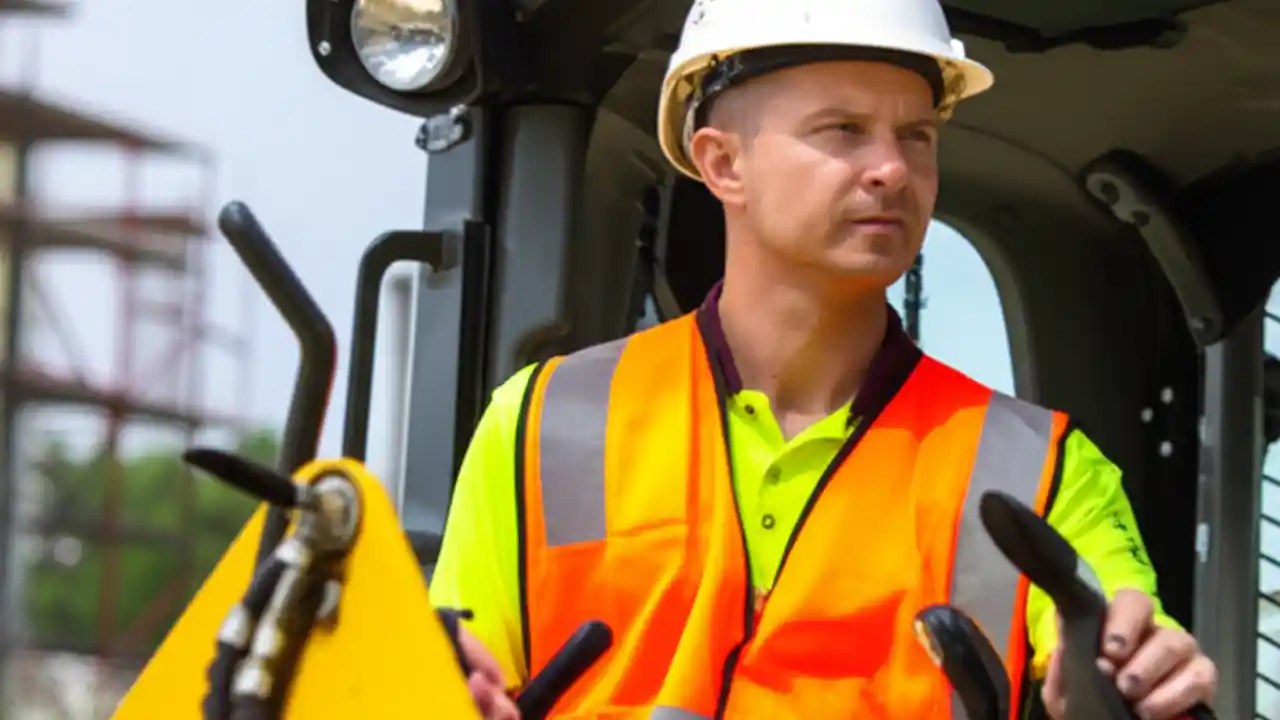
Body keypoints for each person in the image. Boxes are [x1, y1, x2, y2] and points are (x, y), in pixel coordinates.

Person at [430, 0, 1219, 717]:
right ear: (722, 164)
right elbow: (443, 690)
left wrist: (1131, 677)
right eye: (842, 130)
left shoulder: (1043, 470)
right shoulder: (539, 427)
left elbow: (1119, 642)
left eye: (917, 137)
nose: (893, 169)